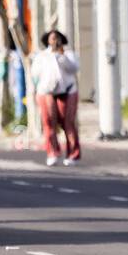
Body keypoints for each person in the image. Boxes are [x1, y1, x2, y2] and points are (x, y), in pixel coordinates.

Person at [32, 29, 81, 167]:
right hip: (47, 92)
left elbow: (73, 68)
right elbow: (35, 73)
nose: (54, 41)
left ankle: (73, 154)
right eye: (52, 38)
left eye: (57, 38)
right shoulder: (42, 56)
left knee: (68, 123)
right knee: (49, 123)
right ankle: (52, 152)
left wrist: (61, 56)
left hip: (68, 91)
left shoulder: (68, 54)